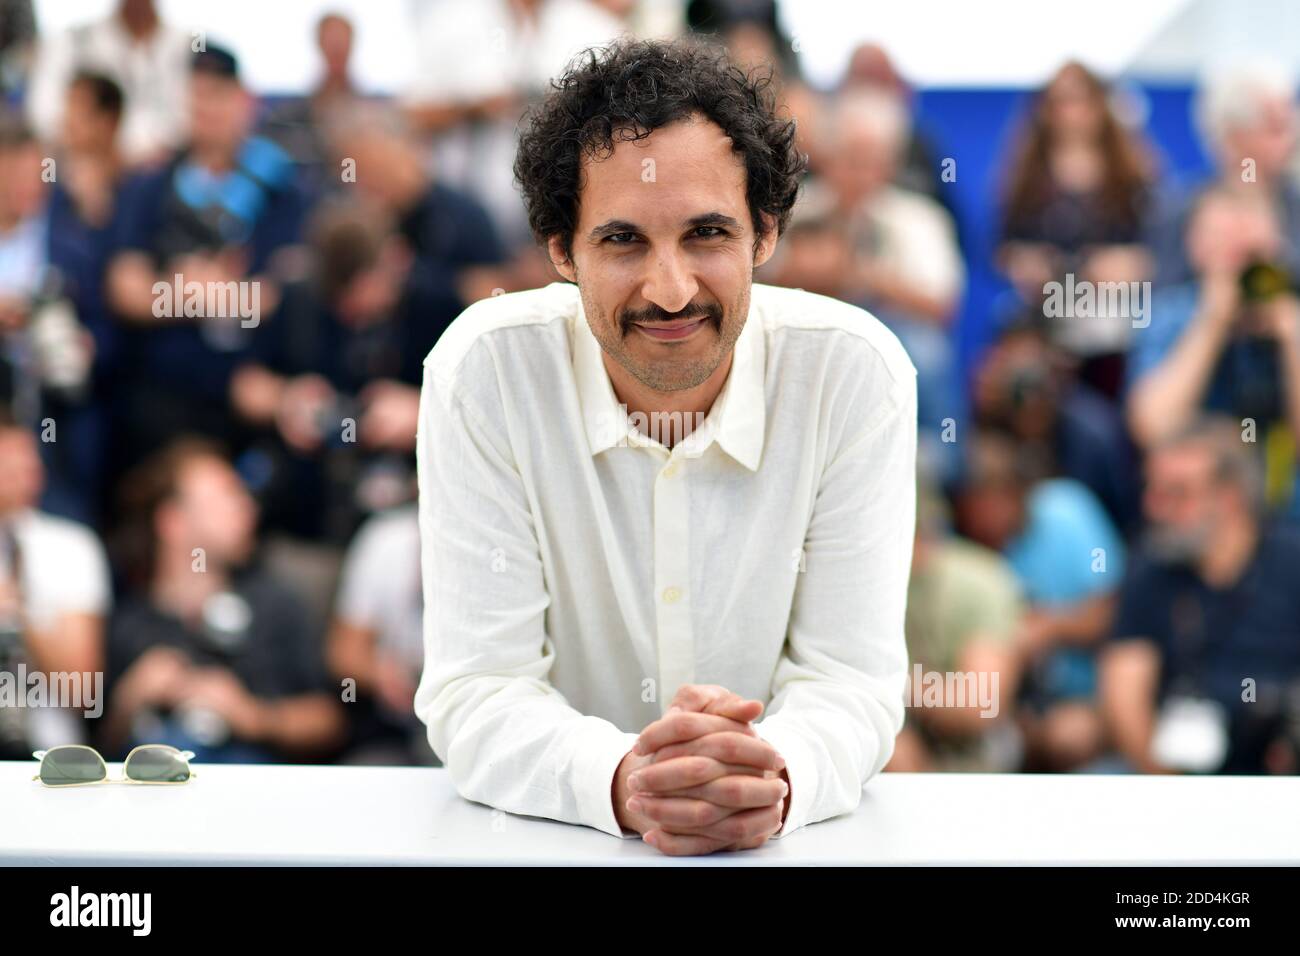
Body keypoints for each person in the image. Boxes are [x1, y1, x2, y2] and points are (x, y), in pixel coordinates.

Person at [416, 38, 917, 857]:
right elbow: (479, 689)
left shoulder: (855, 374)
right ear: (558, 252)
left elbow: (850, 684)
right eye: (622, 241)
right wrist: (625, 781)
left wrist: (769, 778)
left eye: (706, 233)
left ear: (765, 232)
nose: (671, 289)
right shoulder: (485, 372)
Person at [104, 44, 305, 481]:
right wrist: (185, 296)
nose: (205, 110)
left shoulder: (282, 189)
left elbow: (280, 291)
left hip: (247, 401)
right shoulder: (151, 187)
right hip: (163, 399)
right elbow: (126, 289)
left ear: (244, 101)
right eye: (195, 97)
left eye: (217, 95)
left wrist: (197, 293)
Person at [103, 438, 344, 763]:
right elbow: (96, 752)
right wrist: (130, 701)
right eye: (227, 496)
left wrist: (252, 717)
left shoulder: (275, 604)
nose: (248, 507)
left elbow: (330, 723)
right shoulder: (127, 624)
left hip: (255, 791)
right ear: (172, 521)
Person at [1099, 417, 1300, 775]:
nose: (1155, 508)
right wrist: (1173, 791)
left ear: (1230, 496)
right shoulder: (1150, 566)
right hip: (1173, 770)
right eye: (1152, 491)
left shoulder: (1291, 560)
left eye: (1177, 492)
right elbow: (1124, 692)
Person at [954, 430, 1125, 772]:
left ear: (1018, 494)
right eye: (972, 505)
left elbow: (1117, 611)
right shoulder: (967, 550)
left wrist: (1050, 627)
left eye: (992, 502)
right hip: (1011, 708)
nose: (983, 519)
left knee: (1068, 738)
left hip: (1090, 697)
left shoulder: (1067, 511)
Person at [1126, 187, 1300, 517]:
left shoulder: (1292, 316)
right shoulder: (1171, 315)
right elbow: (1152, 429)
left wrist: (1291, 339)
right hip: (1203, 515)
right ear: (1196, 248)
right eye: (1226, 248)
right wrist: (1212, 322)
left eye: (1251, 255)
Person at [998, 61, 1154, 397]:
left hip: (1115, 314)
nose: (1071, 113)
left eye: (1080, 100)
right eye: (1060, 102)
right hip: (1045, 311)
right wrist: (1025, 264)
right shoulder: (1025, 177)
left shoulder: (1134, 177)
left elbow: (1158, 248)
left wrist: (1129, 266)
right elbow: (1003, 247)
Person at [888, 479, 1024, 773]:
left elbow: (980, 703)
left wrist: (885, 686)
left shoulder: (977, 582)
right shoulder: (842, 585)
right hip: (885, 737)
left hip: (971, 753)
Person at [0, 406, 109, 759]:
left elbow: (84, 693)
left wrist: (18, 615)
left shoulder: (71, 546)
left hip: (48, 755)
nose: (24, 476)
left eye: (28, 464)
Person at [327, 503, 434, 765]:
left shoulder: (496, 547)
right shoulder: (386, 540)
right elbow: (343, 654)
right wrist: (379, 673)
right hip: (395, 726)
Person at [25, 0, 191, 166]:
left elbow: (193, 121)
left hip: (167, 175)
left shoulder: (190, 48)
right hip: (78, 171)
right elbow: (43, 114)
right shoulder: (71, 41)